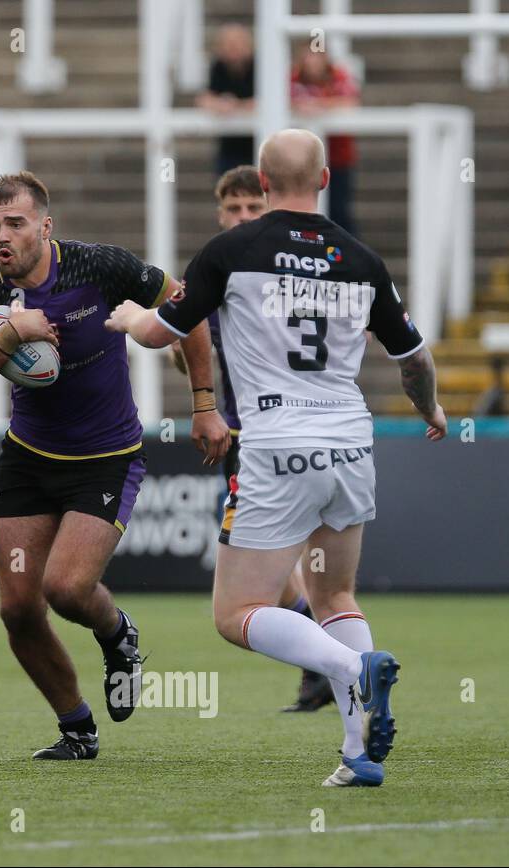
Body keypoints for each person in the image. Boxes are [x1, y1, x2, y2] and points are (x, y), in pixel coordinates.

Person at [107, 129, 446, 787]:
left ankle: (353, 672)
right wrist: (431, 410)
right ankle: (359, 755)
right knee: (335, 592)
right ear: (324, 180)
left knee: (236, 614)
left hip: (277, 446)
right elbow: (415, 360)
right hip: (350, 442)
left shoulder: (231, 251)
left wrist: (126, 318)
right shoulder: (361, 259)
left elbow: (161, 333)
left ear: (261, 186)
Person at [0, 171, 230, 761]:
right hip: (27, 458)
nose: (2, 236)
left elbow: (189, 310)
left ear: (45, 226)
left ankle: (118, 634)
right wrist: (7, 338)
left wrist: (203, 406)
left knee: (67, 589)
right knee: (18, 609)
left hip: (106, 458)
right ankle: (76, 728)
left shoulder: (100, 266)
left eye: (15, 223)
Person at [170, 165, 333, 713]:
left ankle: (329, 657)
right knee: (285, 562)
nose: (242, 218)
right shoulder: (217, 270)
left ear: (270, 208)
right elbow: (185, 345)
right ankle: (325, 660)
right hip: (243, 433)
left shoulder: (281, 271)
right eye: (234, 210)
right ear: (221, 214)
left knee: (265, 568)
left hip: (280, 430)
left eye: (252, 209)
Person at [292, 49, 360, 235]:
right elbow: (277, 100)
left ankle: (346, 254)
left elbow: (350, 102)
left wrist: (318, 104)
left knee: (338, 210)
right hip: (300, 160)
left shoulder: (338, 76)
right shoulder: (292, 78)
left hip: (336, 157)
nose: (314, 62)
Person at [197, 24, 256, 176]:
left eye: (236, 43)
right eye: (227, 44)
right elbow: (205, 98)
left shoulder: (262, 66)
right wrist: (220, 104)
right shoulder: (218, 66)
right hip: (229, 146)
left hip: (259, 145)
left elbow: (271, 100)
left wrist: (235, 105)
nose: (232, 48)